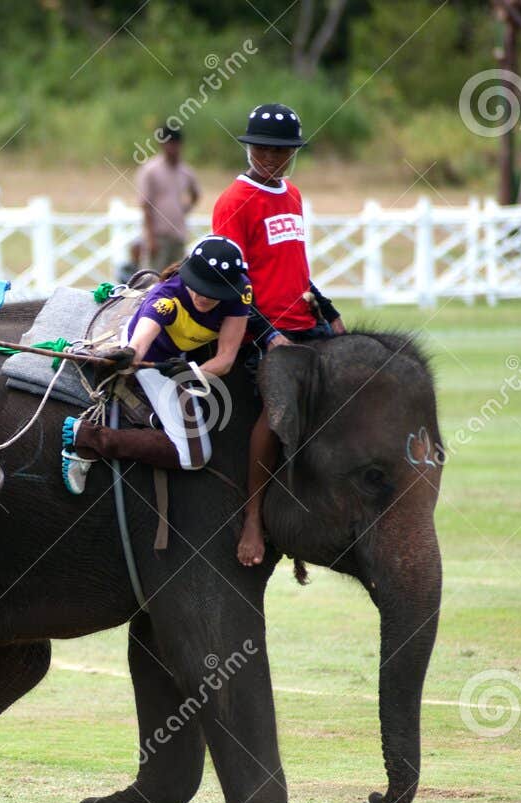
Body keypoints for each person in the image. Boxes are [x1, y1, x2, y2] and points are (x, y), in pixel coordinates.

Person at [211, 103, 345, 568]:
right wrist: (267, 335)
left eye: (282, 151)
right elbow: (231, 280)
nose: (271, 157)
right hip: (254, 327)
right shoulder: (234, 201)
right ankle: (253, 517)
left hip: (302, 322)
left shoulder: (292, 194)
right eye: (263, 148)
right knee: (277, 411)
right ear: (249, 147)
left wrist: (328, 311)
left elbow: (295, 269)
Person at [61, 236, 251, 495]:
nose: (204, 296)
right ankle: (88, 437)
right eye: (199, 286)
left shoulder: (240, 292)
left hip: (182, 359)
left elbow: (226, 359)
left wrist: (192, 372)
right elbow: (139, 346)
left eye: (213, 291)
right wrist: (128, 355)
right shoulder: (165, 298)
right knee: (194, 456)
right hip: (155, 356)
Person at [135, 124, 199, 271]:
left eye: (175, 144)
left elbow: (195, 194)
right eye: (168, 143)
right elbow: (145, 205)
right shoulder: (151, 170)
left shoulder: (185, 171)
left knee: (176, 279)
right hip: (158, 236)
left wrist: (183, 210)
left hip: (178, 235)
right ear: (162, 145)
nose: (172, 148)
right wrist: (150, 238)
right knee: (151, 279)